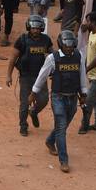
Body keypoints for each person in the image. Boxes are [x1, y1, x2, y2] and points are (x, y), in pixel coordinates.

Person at [30, 29, 87, 174]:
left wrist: (84, 93)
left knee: (63, 125)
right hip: (58, 97)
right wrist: (33, 93)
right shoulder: (52, 58)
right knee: (61, 128)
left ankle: (50, 141)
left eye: (71, 45)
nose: (69, 47)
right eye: (66, 45)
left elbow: (82, 76)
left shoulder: (78, 56)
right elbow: (42, 76)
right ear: (61, 44)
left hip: (73, 97)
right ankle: (64, 160)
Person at [6, 15, 53, 137]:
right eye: (33, 28)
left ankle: (34, 112)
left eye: (38, 28)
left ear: (42, 28)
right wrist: (8, 75)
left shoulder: (46, 40)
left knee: (44, 100)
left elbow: (53, 56)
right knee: (24, 103)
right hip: (25, 76)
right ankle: (23, 125)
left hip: (40, 76)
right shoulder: (22, 40)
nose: (36, 30)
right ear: (29, 27)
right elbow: (13, 58)